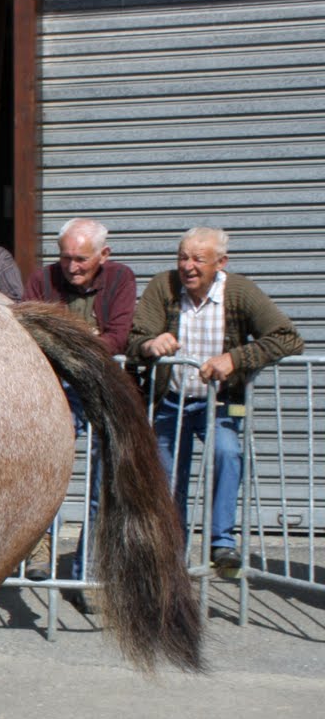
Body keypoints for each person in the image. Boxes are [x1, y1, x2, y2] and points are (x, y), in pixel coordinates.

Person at [128, 226, 302, 574]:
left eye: (198, 259)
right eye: (183, 257)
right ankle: (172, 554)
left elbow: (288, 337)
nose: (188, 266)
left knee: (227, 453)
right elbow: (135, 341)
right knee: (166, 477)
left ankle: (222, 543)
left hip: (219, 402)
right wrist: (151, 345)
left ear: (220, 263)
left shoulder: (239, 291)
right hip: (172, 400)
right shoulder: (163, 287)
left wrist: (236, 359)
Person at [21, 218, 137, 583]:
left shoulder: (120, 279)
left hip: (101, 389)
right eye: (65, 257)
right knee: (49, 471)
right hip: (56, 389)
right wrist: (87, 339)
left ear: (104, 255)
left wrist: (64, 341)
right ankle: (40, 551)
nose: (71, 267)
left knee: (102, 484)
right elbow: (31, 333)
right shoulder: (43, 280)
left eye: (81, 259)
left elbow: (117, 338)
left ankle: (87, 570)